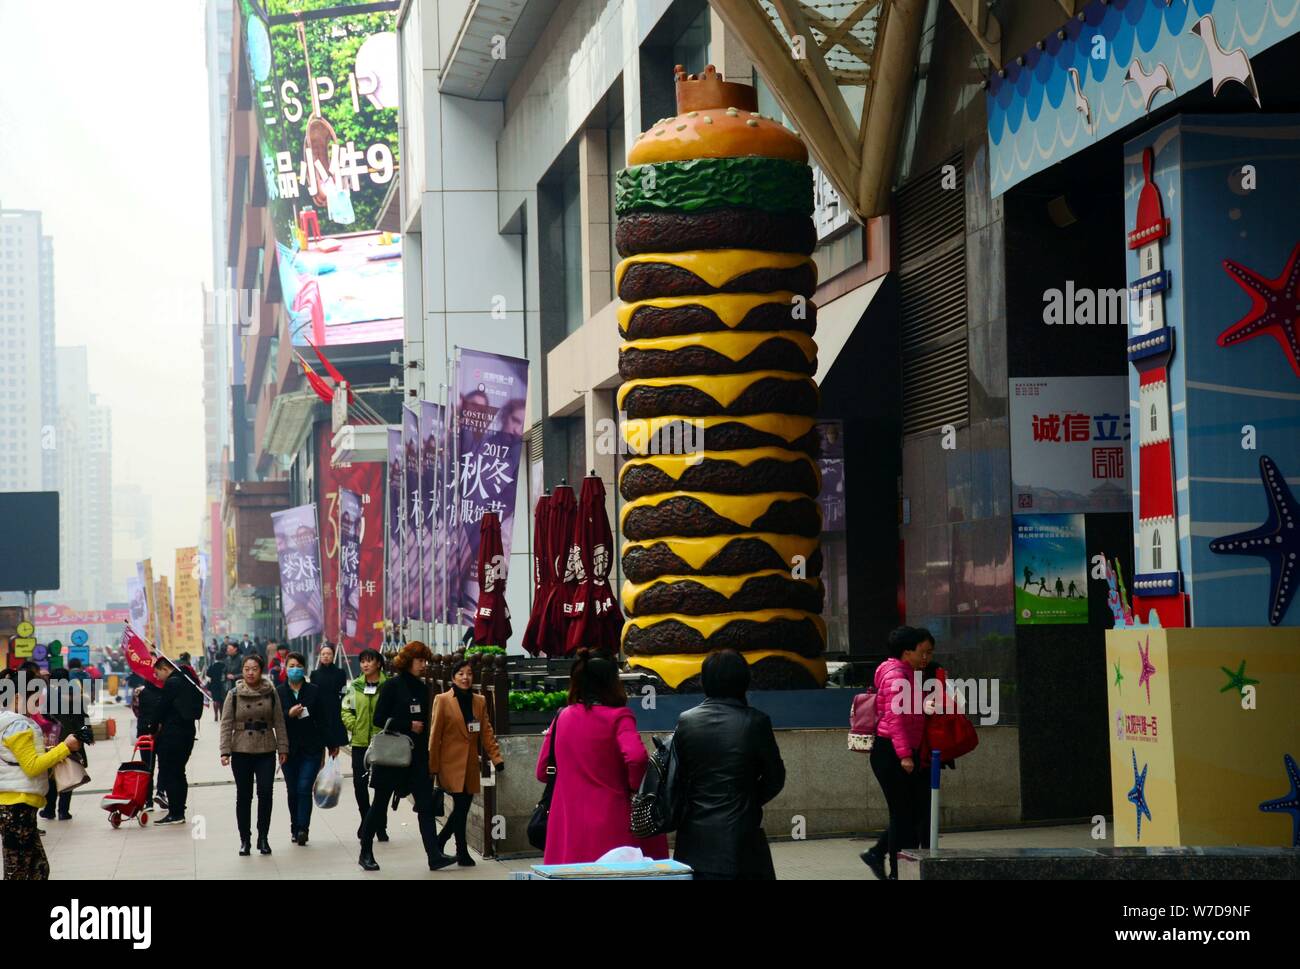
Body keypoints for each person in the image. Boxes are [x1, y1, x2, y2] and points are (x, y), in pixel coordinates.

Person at [534, 649, 668, 865]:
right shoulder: (619, 717)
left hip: (567, 823)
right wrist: (634, 787)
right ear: (611, 683)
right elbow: (636, 758)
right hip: (612, 818)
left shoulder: (561, 717)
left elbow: (542, 771)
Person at [672, 649, 785, 880]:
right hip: (741, 840)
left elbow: (678, 777)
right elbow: (775, 777)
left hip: (694, 840)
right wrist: (748, 800)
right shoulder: (756, 721)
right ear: (744, 680)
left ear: (705, 681)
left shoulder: (686, 721)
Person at [359, 641, 447, 872]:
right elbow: (379, 719)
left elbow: (429, 723)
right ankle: (365, 851)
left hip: (417, 758)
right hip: (393, 757)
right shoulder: (392, 686)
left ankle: (434, 855)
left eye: (425, 660)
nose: (423, 665)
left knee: (425, 806)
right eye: (419, 660)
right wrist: (407, 724)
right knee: (379, 806)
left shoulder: (422, 688)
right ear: (407, 662)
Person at [861, 626, 932, 881]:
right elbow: (895, 718)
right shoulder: (896, 675)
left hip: (898, 750)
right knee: (903, 816)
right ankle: (895, 871)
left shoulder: (906, 673)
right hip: (891, 751)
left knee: (907, 814)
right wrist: (905, 755)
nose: (926, 657)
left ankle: (882, 858)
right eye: (922, 652)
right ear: (907, 652)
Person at [0, 668, 84, 880]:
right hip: (15, 806)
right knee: (20, 870)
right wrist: (65, 747)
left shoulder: (12, 722)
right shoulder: (16, 724)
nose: (39, 703)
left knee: (37, 868)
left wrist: (52, 753)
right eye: (35, 698)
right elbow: (32, 766)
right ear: (18, 697)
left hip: (19, 804)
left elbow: (19, 760)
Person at [429, 657, 504, 867]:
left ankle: (441, 841)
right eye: (461, 674)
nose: (465, 678)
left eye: (469, 674)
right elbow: (435, 736)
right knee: (461, 807)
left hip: (470, 764)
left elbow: (487, 732)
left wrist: (496, 757)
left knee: (462, 807)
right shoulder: (442, 699)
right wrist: (433, 766)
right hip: (449, 764)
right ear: (453, 677)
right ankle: (461, 851)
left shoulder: (479, 701)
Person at [220, 653, 289, 855]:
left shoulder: (270, 692)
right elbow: (225, 724)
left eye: (255, 669)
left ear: (261, 671)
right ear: (242, 671)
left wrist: (283, 748)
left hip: (266, 748)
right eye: (247, 669)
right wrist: (224, 751)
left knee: (266, 793)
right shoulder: (233, 694)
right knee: (244, 796)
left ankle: (263, 837)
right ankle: (245, 839)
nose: (250, 672)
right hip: (241, 749)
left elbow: (279, 721)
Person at [276, 652, 337, 846]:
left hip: (311, 748)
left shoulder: (313, 691)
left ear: (303, 668)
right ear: (286, 668)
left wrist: (331, 743)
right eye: (291, 665)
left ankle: (303, 828)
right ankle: (295, 826)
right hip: (288, 748)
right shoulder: (279, 692)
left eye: (298, 665)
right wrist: (289, 714)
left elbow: (324, 719)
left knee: (304, 788)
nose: (295, 668)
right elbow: (274, 720)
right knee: (292, 790)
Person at [340, 648, 388, 842]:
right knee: (360, 785)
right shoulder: (356, 686)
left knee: (382, 787)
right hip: (360, 743)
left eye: (370, 661)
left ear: (378, 663)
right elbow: (345, 709)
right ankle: (367, 820)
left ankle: (380, 825)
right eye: (362, 661)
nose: (366, 664)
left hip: (382, 743)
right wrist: (354, 726)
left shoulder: (387, 686)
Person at [152, 657, 203, 825]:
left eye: (157, 672)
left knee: (171, 772)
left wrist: (152, 725)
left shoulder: (173, 682)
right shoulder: (188, 680)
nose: (156, 676)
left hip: (173, 734)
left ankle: (175, 812)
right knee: (179, 772)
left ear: (165, 668)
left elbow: (162, 707)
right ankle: (179, 809)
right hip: (187, 732)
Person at [39, 669, 87, 822]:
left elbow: (43, 719)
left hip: (53, 742)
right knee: (68, 774)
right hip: (72, 741)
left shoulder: (48, 698)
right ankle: (63, 811)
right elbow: (84, 721)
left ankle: (49, 809)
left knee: (52, 777)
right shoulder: (76, 696)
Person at [310, 643, 350, 753]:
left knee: (334, 746)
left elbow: (343, 691)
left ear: (333, 656)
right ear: (320, 656)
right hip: (319, 712)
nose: (326, 656)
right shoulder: (314, 674)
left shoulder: (340, 673)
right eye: (323, 654)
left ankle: (333, 768)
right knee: (319, 746)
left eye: (329, 654)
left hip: (335, 711)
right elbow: (312, 694)